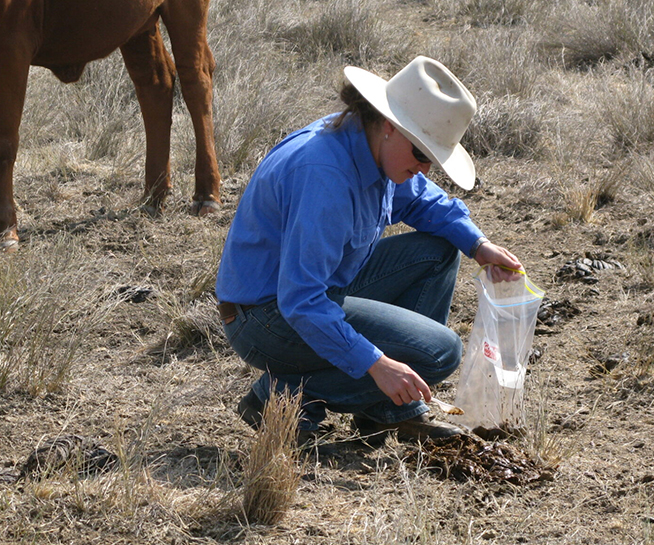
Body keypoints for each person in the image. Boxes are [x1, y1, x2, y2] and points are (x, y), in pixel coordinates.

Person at [215, 56, 524, 444]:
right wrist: (376, 364)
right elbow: (301, 300)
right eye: (422, 154)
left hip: (310, 292)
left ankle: (387, 410)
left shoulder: (372, 145)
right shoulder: (324, 177)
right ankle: (280, 397)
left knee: (439, 250)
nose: (425, 169)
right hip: (264, 318)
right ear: (391, 126)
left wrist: (479, 246)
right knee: (439, 353)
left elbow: (421, 201)